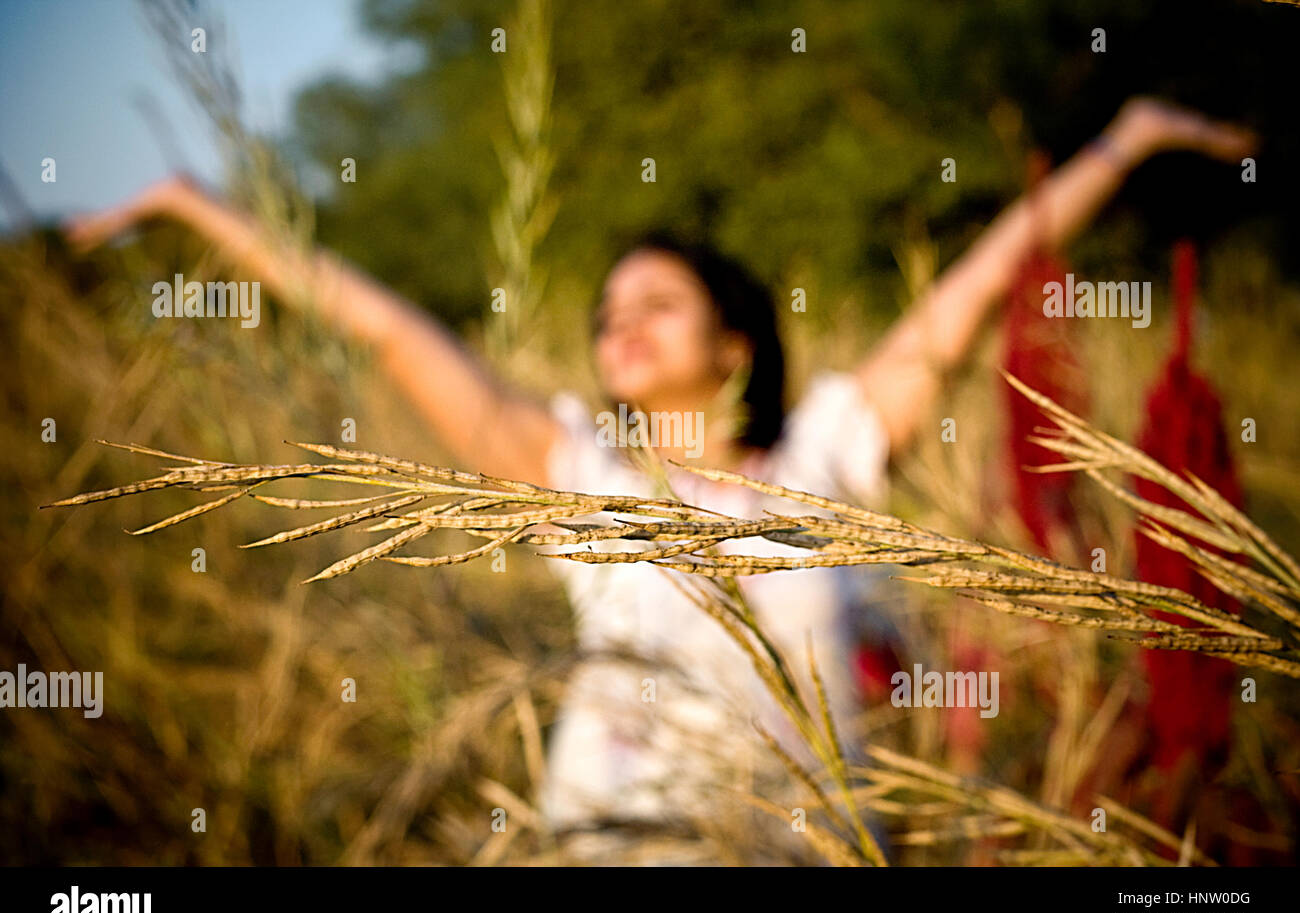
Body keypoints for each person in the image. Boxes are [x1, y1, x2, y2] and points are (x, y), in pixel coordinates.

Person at [67, 97, 1254, 863]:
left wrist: (1122, 143)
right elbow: (385, 332)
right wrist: (202, 212)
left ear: (735, 342)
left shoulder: (824, 458)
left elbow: (960, 312)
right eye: (605, 312)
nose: (617, 325)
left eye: (656, 302)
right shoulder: (579, 472)